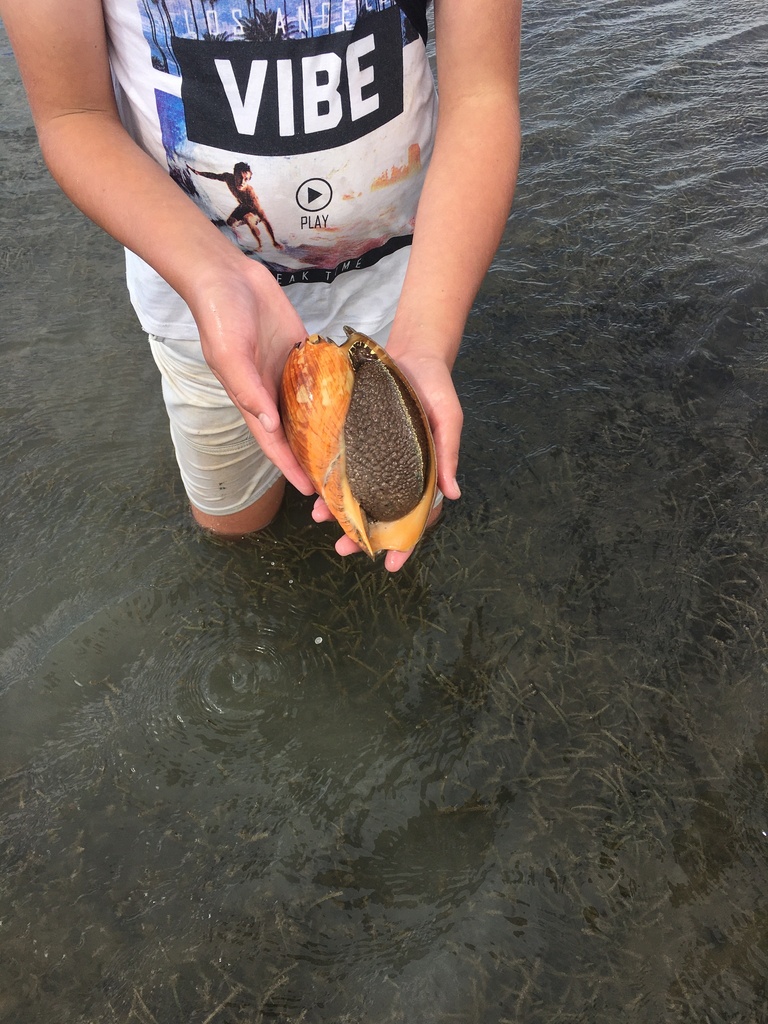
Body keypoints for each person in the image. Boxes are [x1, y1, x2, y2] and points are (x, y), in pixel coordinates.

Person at [0, 0, 522, 573]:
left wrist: (427, 338)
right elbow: (73, 113)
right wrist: (211, 276)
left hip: (407, 294)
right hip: (207, 314)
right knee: (236, 532)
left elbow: (482, 97)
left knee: (404, 523)